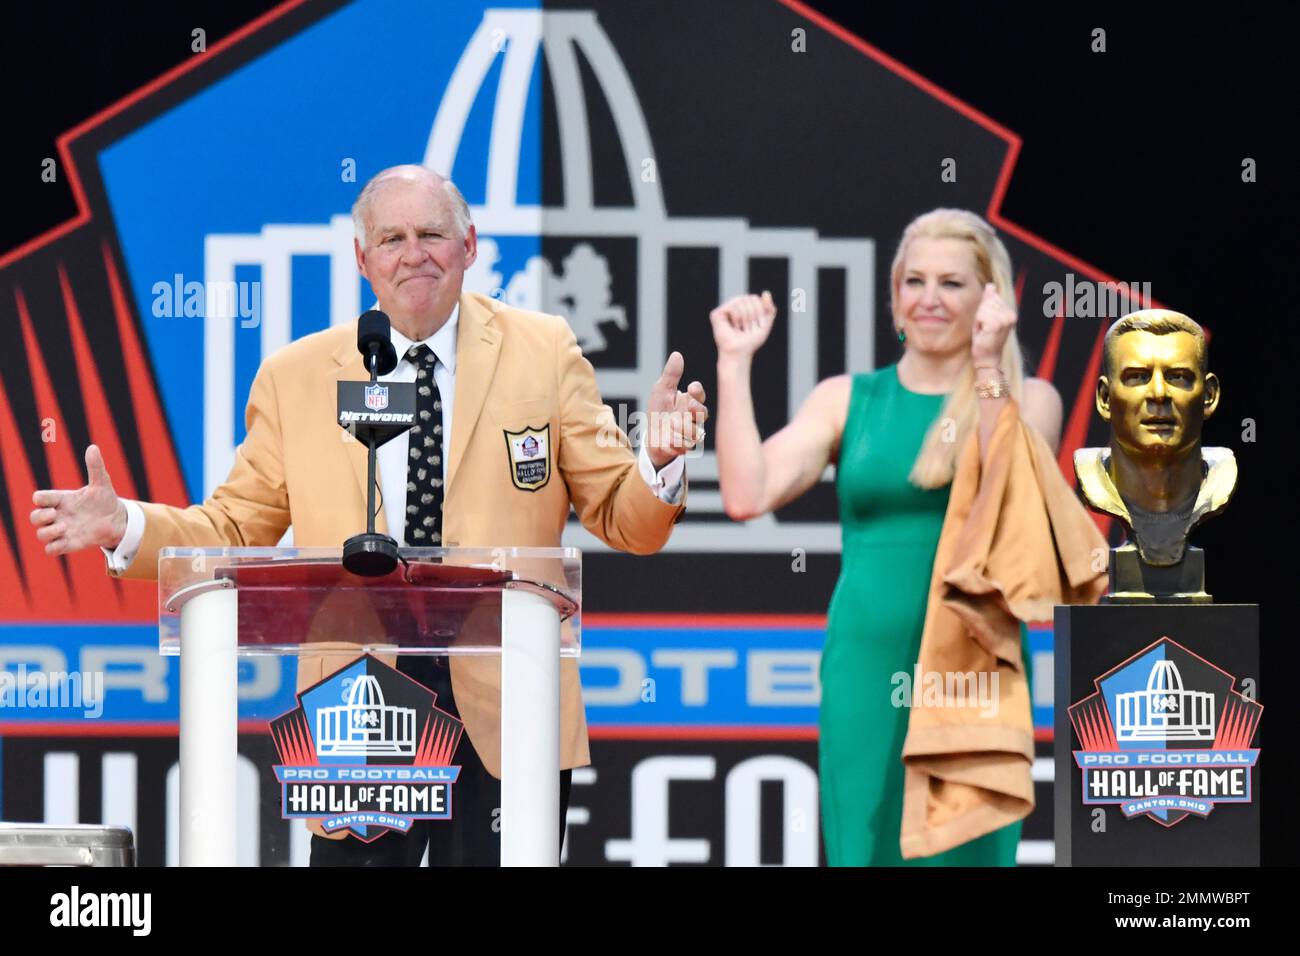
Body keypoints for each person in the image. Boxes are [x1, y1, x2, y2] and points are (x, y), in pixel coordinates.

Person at [29, 164, 708, 866]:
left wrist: (657, 463)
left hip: (511, 701)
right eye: (391, 238)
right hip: (358, 700)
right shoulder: (296, 377)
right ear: (362, 259)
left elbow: (625, 520)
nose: (414, 253)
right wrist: (127, 525)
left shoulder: (544, 353)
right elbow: (233, 530)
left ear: (470, 245)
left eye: (432, 234)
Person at [711, 208, 1062, 866]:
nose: (929, 299)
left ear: (991, 300)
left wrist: (988, 365)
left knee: (967, 855)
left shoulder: (1029, 397)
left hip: (974, 670)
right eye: (915, 282)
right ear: (894, 298)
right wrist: (734, 365)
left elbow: (1008, 497)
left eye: (952, 284)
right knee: (865, 849)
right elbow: (745, 494)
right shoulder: (847, 399)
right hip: (866, 671)